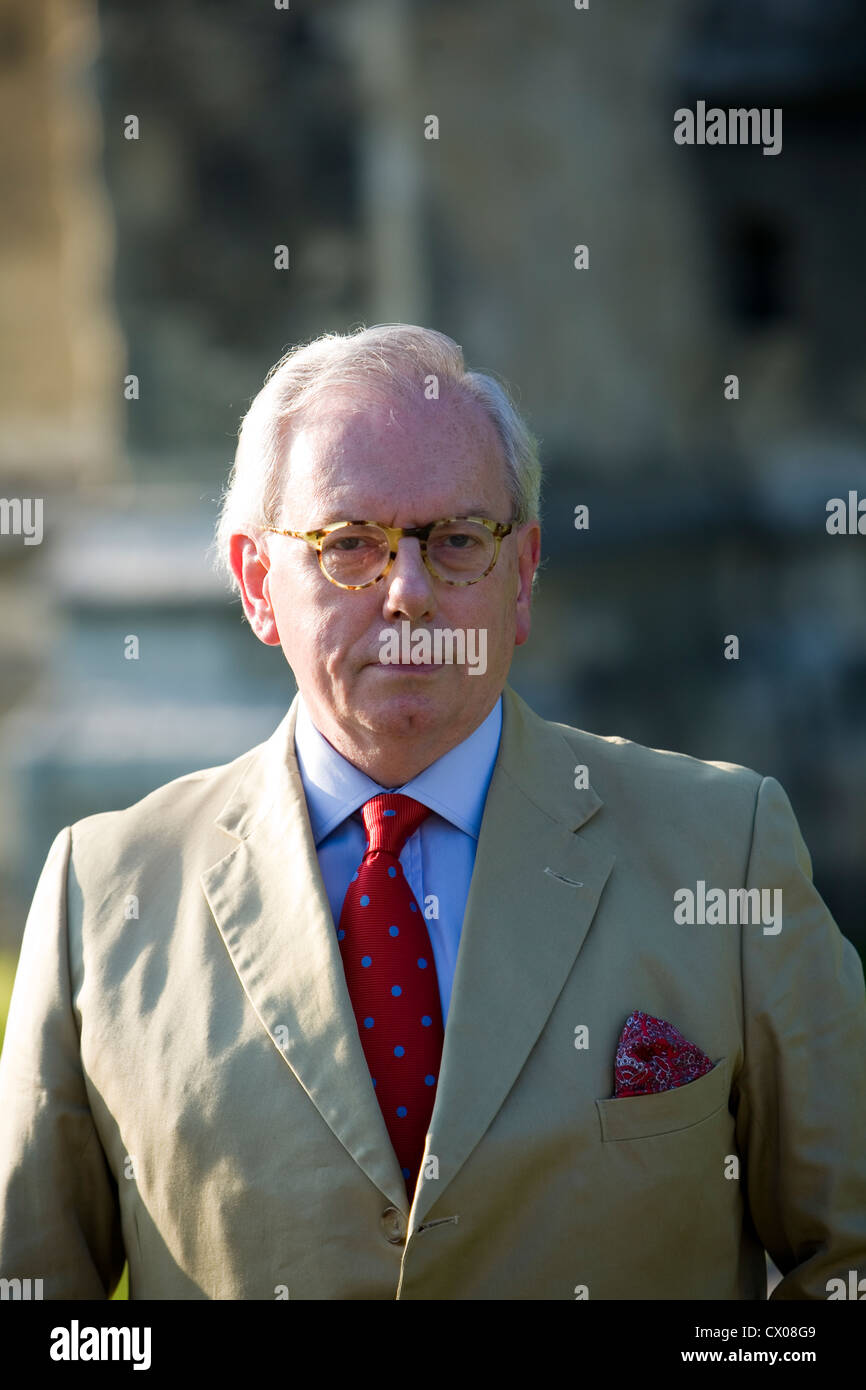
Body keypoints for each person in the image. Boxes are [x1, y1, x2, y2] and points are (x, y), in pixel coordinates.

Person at [0, 324, 864, 1301]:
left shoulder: (723, 850)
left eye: (455, 542)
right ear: (254, 583)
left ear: (522, 573)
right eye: (347, 546)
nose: (407, 593)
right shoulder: (101, 894)